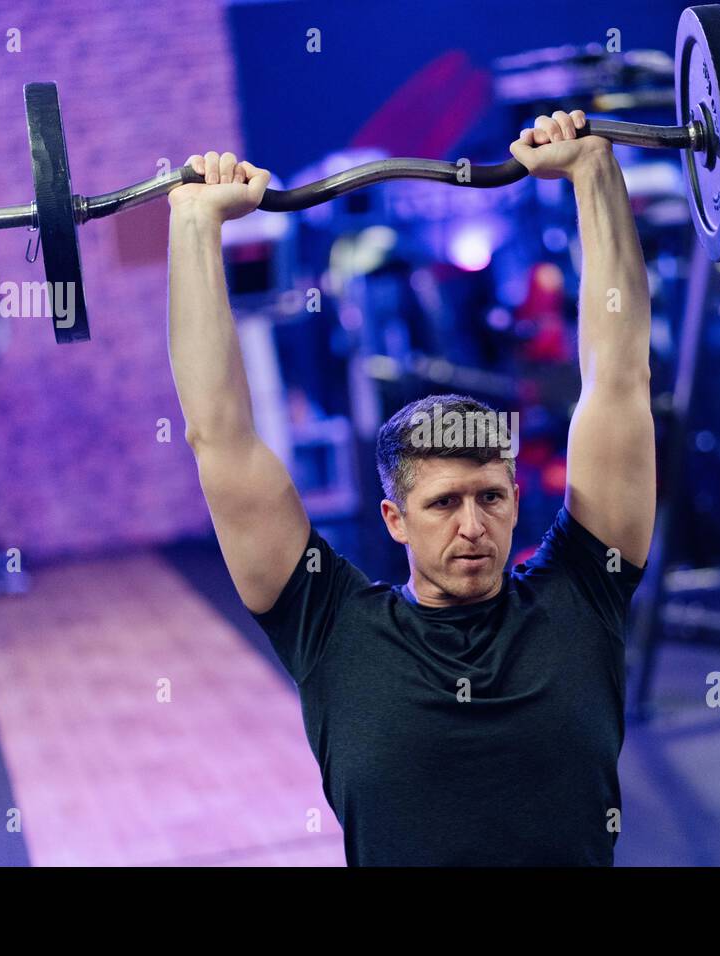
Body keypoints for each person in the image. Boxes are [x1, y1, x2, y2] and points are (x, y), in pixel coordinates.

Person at [166, 110, 655, 865]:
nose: (472, 527)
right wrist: (195, 224)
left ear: (516, 498)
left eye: (490, 497)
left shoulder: (585, 592)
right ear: (394, 518)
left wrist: (594, 175)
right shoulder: (331, 628)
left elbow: (619, 381)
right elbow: (218, 436)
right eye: (443, 503)